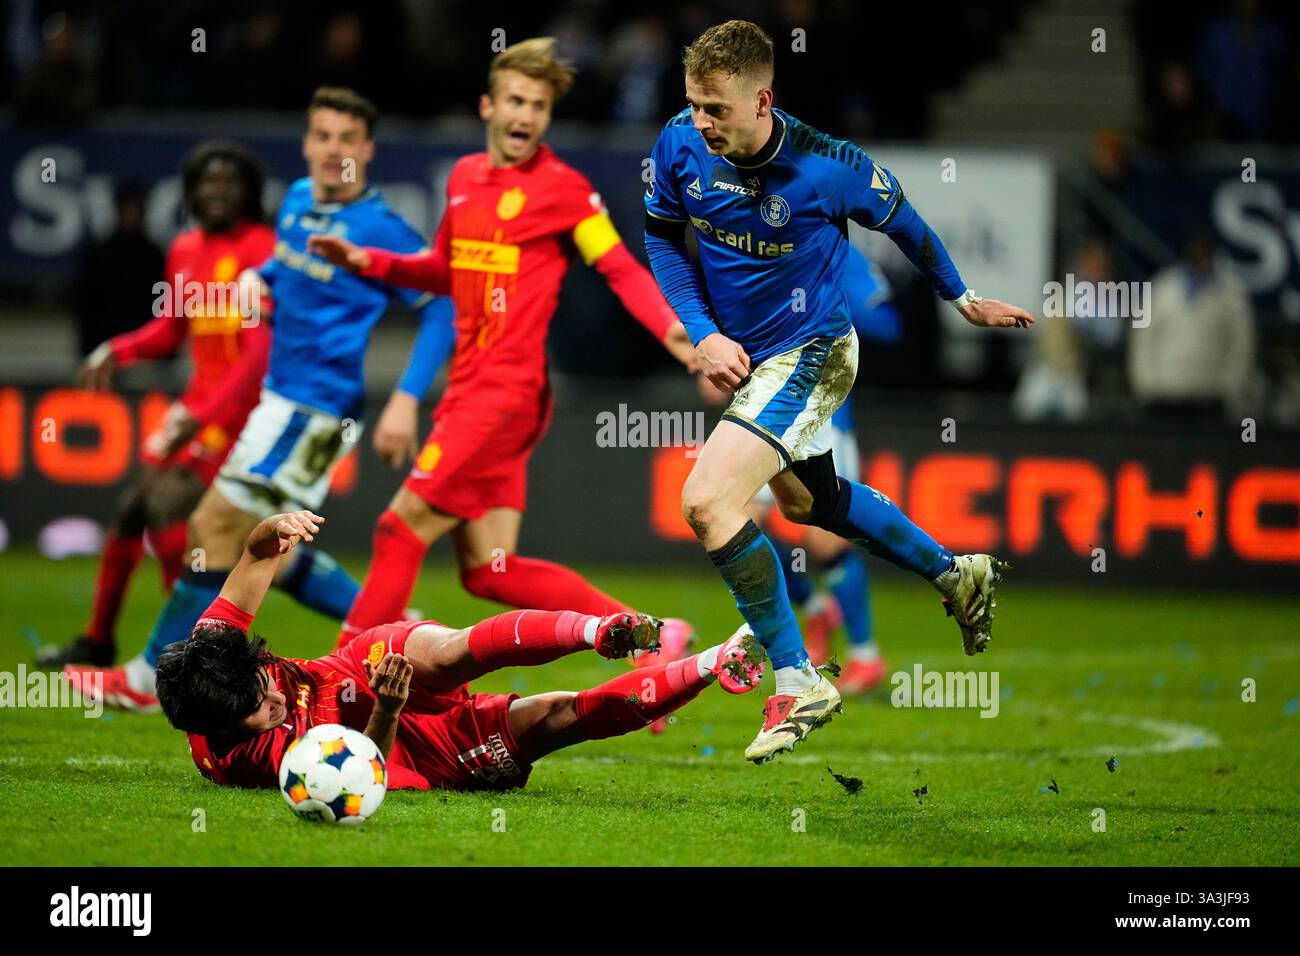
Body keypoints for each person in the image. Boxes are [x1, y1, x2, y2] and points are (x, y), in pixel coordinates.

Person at [643, 20, 1034, 762]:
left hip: (814, 352)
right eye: (694, 104)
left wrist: (963, 296)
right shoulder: (678, 144)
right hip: (751, 358)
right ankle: (956, 574)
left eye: (716, 109)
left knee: (706, 500)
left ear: (763, 98)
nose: (702, 122)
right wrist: (701, 329)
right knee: (809, 505)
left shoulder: (830, 165)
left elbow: (909, 225)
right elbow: (663, 236)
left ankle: (796, 679)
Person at [66, 88, 456, 711]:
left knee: (212, 524)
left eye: (348, 140)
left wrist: (408, 397)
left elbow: (443, 304)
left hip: (318, 409)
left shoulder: (381, 227)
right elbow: (285, 269)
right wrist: (261, 276)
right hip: (281, 400)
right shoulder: (300, 202)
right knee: (257, 535)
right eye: (323, 137)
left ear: (368, 151)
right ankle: (389, 615)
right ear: (306, 143)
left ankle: (147, 679)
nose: (334, 152)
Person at [308, 38, 698, 655]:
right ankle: (651, 636)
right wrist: (368, 259)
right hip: (476, 387)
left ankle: (342, 679)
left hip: (505, 393)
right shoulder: (463, 179)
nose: (525, 116)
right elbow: (444, 269)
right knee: (489, 571)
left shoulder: (566, 191)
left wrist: (677, 331)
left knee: (398, 528)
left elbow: (619, 268)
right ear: (487, 106)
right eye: (515, 100)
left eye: (538, 106)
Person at [156, 510, 762, 793]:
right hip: (392, 744)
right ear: (234, 729)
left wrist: (268, 532)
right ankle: (718, 661)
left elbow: (258, 558)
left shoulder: (214, 651)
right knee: (550, 719)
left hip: (353, 670)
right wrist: (389, 711)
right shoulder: (255, 760)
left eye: (268, 685)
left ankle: (597, 631)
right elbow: (358, 777)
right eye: (263, 711)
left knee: (449, 652)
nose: (277, 703)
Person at [38, 141, 274, 670]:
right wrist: (115, 349)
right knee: (133, 510)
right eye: (206, 182)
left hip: (243, 417)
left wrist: (202, 415)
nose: (217, 192)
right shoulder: (185, 251)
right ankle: (101, 640)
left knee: (167, 508)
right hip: (198, 411)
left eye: (228, 182)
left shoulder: (264, 250)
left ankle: (189, 649)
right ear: (190, 192)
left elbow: (257, 356)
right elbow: (171, 331)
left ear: (248, 193)